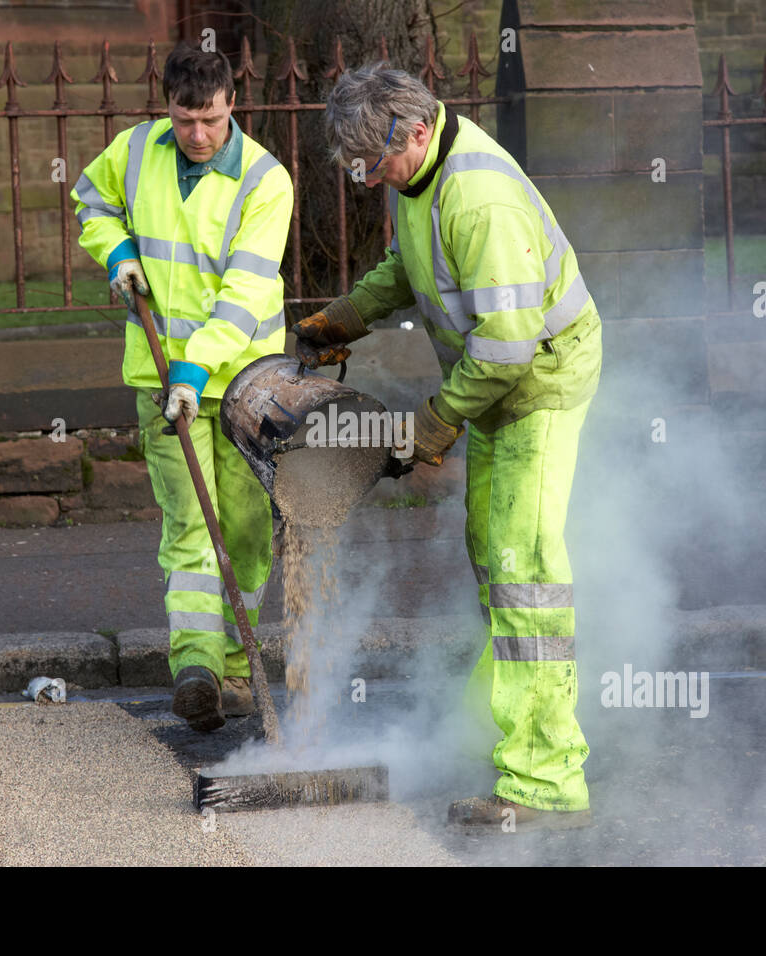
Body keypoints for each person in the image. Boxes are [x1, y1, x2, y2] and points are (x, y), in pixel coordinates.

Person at [295, 65, 603, 829]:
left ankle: (545, 781)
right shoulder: (419, 182)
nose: (369, 179)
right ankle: (497, 727)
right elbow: (410, 268)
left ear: (419, 130)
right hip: (501, 380)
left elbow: (507, 347)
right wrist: (345, 317)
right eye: (357, 164)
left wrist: (434, 424)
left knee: (525, 568)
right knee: (490, 553)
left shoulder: (479, 198)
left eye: (375, 161)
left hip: (540, 381)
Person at [72, 45, 293, 732]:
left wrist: (198, 369)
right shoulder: (135, 150)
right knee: (190, 524)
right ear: (166, 103)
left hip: (246, 383)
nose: (199, 135)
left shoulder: (265, 181)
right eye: (186, 118)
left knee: (250, 528)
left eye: (213, 120)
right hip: (159, 376)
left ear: (233, 104)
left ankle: (236, 665)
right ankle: (197, 667)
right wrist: (116, 252)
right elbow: (91, 198)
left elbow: (247, 290)